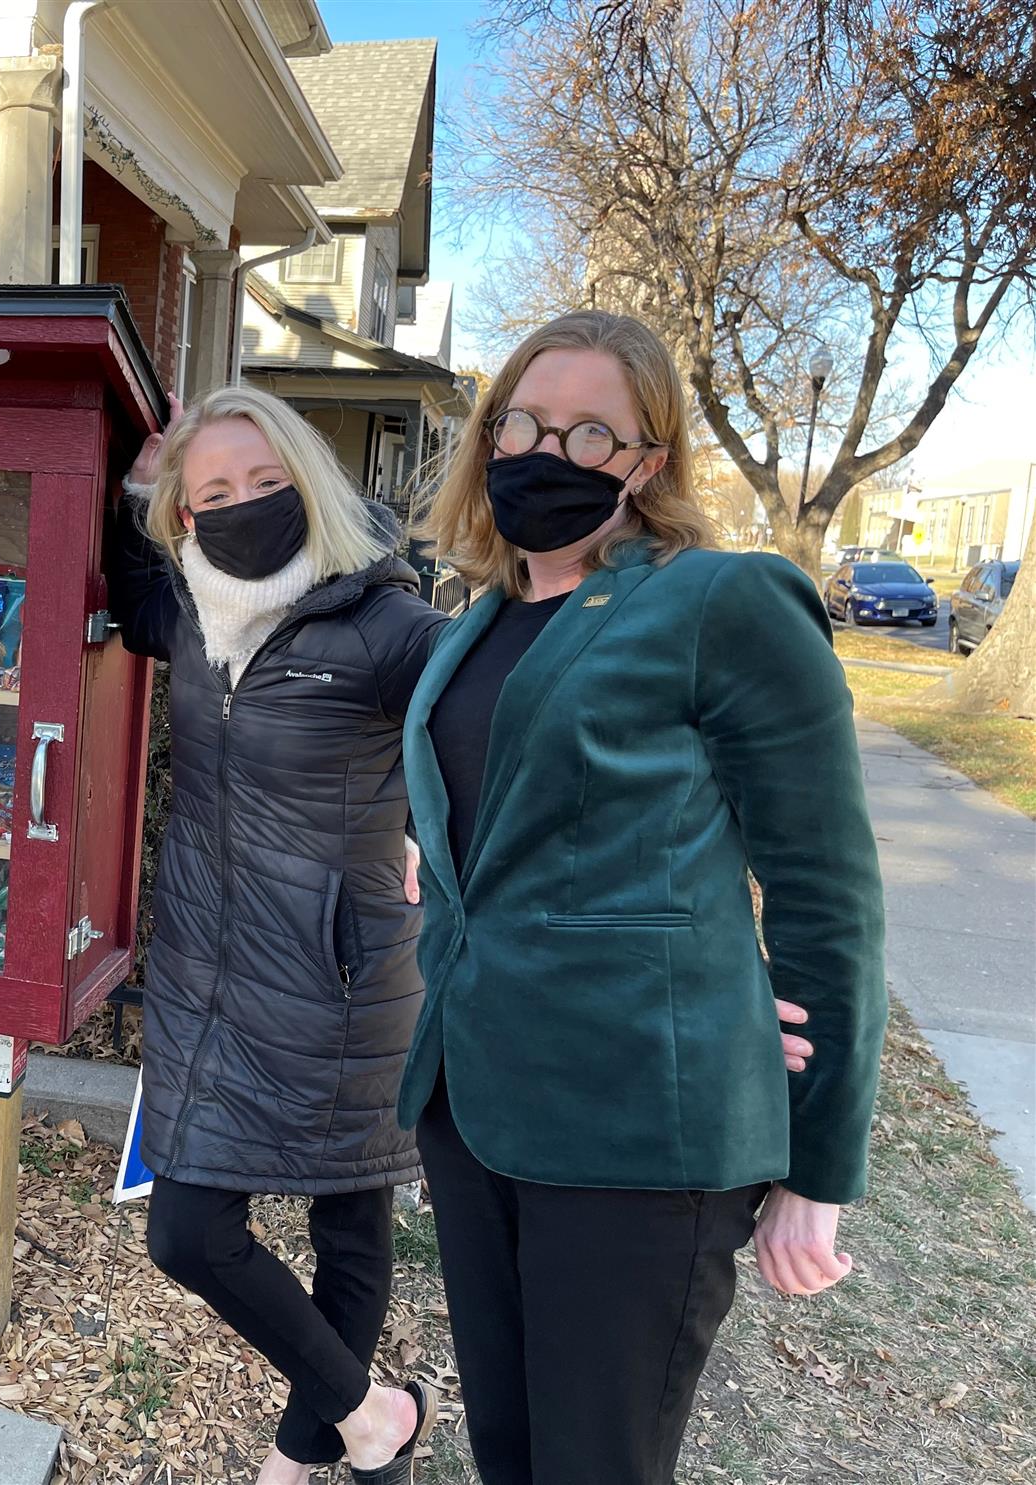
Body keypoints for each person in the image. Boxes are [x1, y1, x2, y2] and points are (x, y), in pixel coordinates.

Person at [398, 309, 886, 1485]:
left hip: (636, 1137)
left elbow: (827, 893)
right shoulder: (473, 623)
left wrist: (820, 1168)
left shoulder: (723, 603)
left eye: (587, 435)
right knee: (510, 1455)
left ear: (649, 464)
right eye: (519, 421)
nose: (541, 452)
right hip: (475, 1111)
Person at [106, 384, 445, 1485]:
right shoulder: (185, 610)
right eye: (216, 491)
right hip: (212, 979)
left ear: (309, 480)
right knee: (190, 1235)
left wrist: (433, 847)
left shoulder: (388, 624)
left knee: (352, 1229)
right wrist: (132, 470)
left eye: (267, 481)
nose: (246, 505)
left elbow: (486, 746)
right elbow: (108, 558)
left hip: (344, 977)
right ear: (186, 515)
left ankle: (301, 1459)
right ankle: (377, 1417)